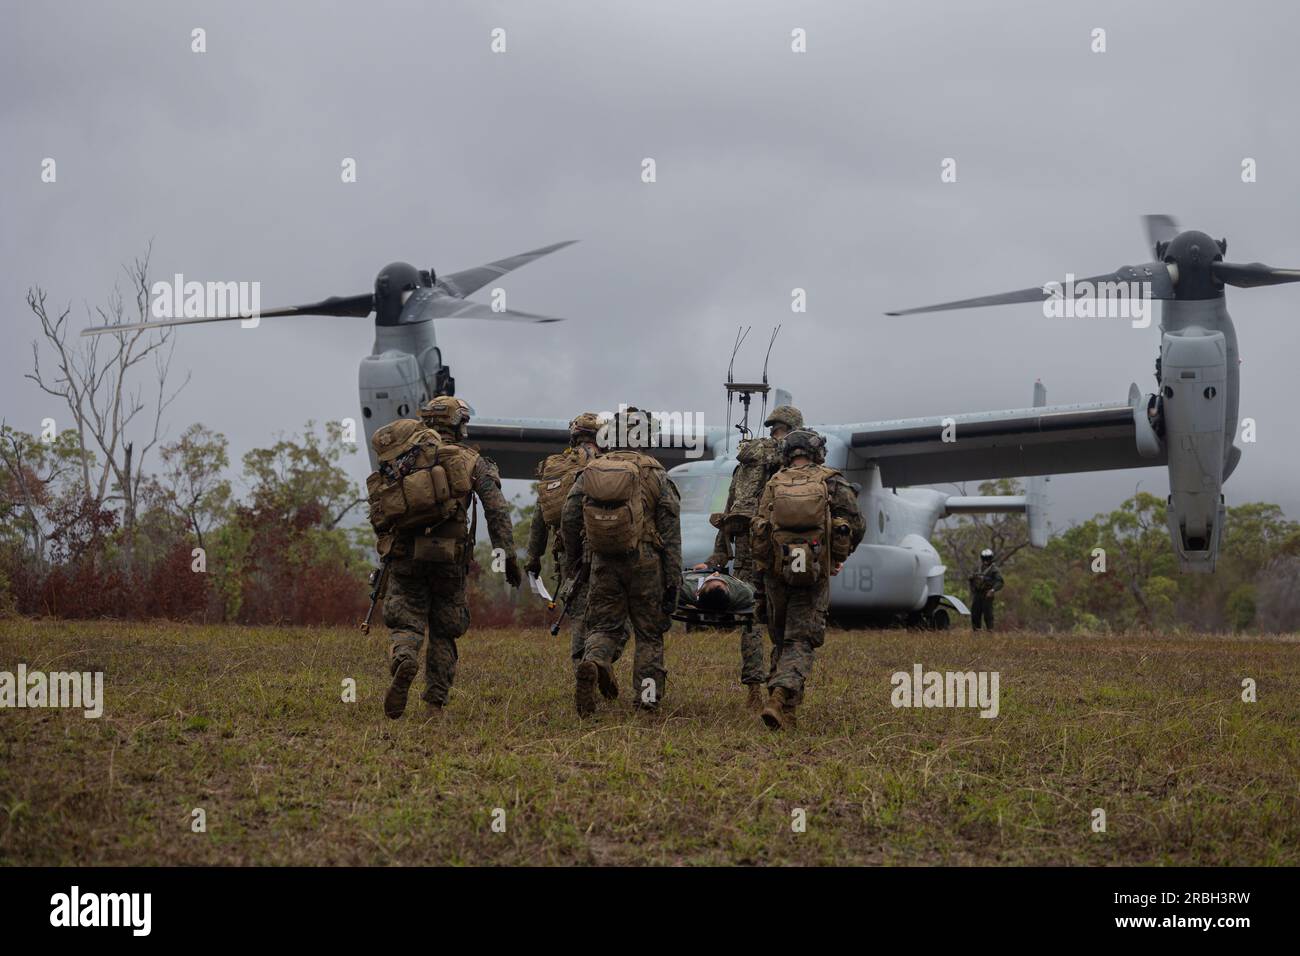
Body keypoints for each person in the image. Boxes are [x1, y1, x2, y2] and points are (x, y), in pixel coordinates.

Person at [381, 396, 520, 719]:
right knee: (445, 630)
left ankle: (404, 657)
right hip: (449, 559)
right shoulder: (472, 461)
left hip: (405, 554)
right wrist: (507, 556)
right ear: (459, 424)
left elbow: (383, 507)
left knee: (407, 621)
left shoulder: (403, 457)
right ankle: (434, 705)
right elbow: (496, 509)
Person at [561, 406, 681, 717]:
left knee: (603, 626)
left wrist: (575, 559)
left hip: (602, 560)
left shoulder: (594, 469)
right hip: (646, 562)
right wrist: (673, 579)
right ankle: (647, 700)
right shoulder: (656, 473)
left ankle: (596, 661)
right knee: (649, 636)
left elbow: (570, 515)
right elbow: (670, 532)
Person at [751, 429, 864, 731]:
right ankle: (779, 695)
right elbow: (855, 524)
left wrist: (763, 576)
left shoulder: (774, 482)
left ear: (787, 453)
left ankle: (786, 712)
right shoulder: (832, 481)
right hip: (812, 573)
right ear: (817, 452)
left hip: (776, 573)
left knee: (781, 639)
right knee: (800, 640)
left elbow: (759, 530)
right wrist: (838, 557)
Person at [707, 404, 804, 710]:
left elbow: (724, 510)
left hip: (746, 544)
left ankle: (753, 689)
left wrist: (720, 552)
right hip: (781, 544)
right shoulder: (793, 462)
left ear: (772, 426)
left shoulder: (743, 463)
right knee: (783, 613)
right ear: (795, 428)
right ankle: (781, 683)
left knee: (751, 615)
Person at [525, 412, 606, 672]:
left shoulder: (557, 467)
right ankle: (597, 660)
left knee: (579, 612)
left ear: (574, 435)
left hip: (568, 554)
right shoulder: (608, 463)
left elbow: (540, 517)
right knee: (608, 611)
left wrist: (533, 557)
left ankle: (581, 666)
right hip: (605, 549)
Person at [676, 564, 757, 629]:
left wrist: (693, 571)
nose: (716, 573)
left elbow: (673, 582)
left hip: (697, 574)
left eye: (709, 580)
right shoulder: (744, 593)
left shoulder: (685, 590)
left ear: (698, 592)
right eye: (721, 580)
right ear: (728, 591)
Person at [968, 548, 1004, 631]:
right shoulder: (978, 568)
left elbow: (1000, 582)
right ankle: (976, 632)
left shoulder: (994, 570)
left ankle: (990, 632)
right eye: (984, 558)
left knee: (988, 614)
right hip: (977, 594)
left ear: (991, 559)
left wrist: (992, 590)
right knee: (975, 613)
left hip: (987, 594)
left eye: (988, 558)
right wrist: (971, 579)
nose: (986, 561)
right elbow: (972, 579)